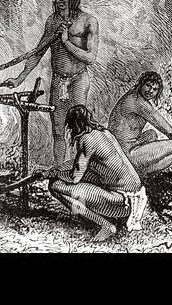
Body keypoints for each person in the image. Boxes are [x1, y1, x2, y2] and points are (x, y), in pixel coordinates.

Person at [3, 0, 97, 164]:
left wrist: (66, 41)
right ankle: (60, 169)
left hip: (78, 80)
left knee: (78, 128)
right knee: (58, 130)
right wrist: (20, 78)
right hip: (58, 81)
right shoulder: (52, 21)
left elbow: (90, 58)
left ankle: (78, 172)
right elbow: (38, 51)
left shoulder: (88, 21)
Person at [46, 104, 148, 243]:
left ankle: (106, 225)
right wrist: (54, 170)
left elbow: (75, 177)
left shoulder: (86, 140)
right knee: (79, 179)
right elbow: (75, 164)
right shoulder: (104, 133)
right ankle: (106, 220)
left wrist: (54, 175)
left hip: (121, 202)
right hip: (134, 196)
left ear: (72, 125)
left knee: (56, 186)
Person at [109, 71, 172, 181]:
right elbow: (170, 131)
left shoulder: (132, 96)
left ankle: (141, 170)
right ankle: (142, 175)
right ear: (141, 84)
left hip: (117, 149)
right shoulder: (139, 103)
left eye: (155, 89)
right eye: (148, 86)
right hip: (125, 155)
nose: (150, 91)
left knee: (151, 134)